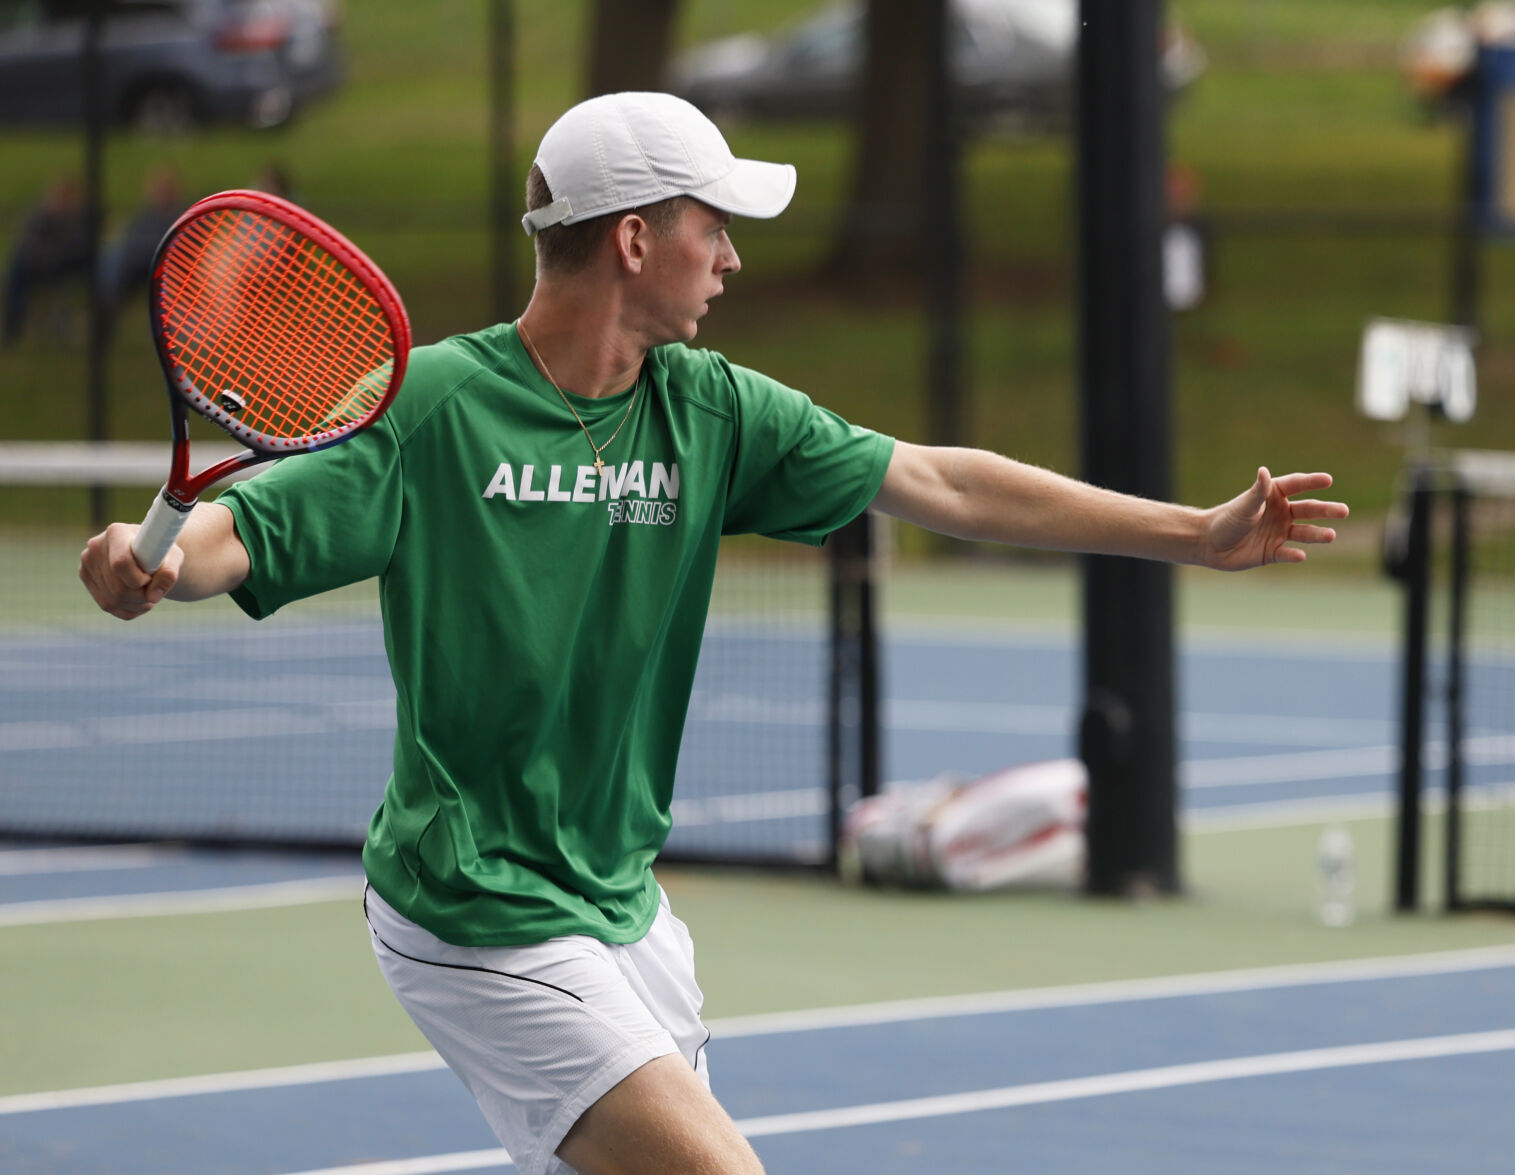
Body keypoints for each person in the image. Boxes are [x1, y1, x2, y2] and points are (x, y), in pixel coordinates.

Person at [78, 92, 1348, 1175]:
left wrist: (1191, 532)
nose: (732, 255)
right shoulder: (434, 409)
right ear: (635, 239)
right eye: (713, 224)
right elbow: (248, 525)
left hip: (624, 906)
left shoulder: (712, 410)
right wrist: (162, 563)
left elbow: (942, 482)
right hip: (477, 906)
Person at [2, 174, 92, 346]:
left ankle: (14, 330)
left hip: (62, 267)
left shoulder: (78, 221)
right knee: (16, 273)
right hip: (37, 264)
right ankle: (12, 330)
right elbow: (28, 239)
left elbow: (77, 249)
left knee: (19, 272)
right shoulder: (43, 217)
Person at [98, 165, 184, 329]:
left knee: (117, 260)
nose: (161, 194)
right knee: (111, 257)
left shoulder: (179, 218)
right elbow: (130, 240)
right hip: (134, 269)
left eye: (165, 189)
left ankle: (106, 306)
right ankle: (105, 306)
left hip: (161, 270)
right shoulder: (143, 217)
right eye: (158, 189)